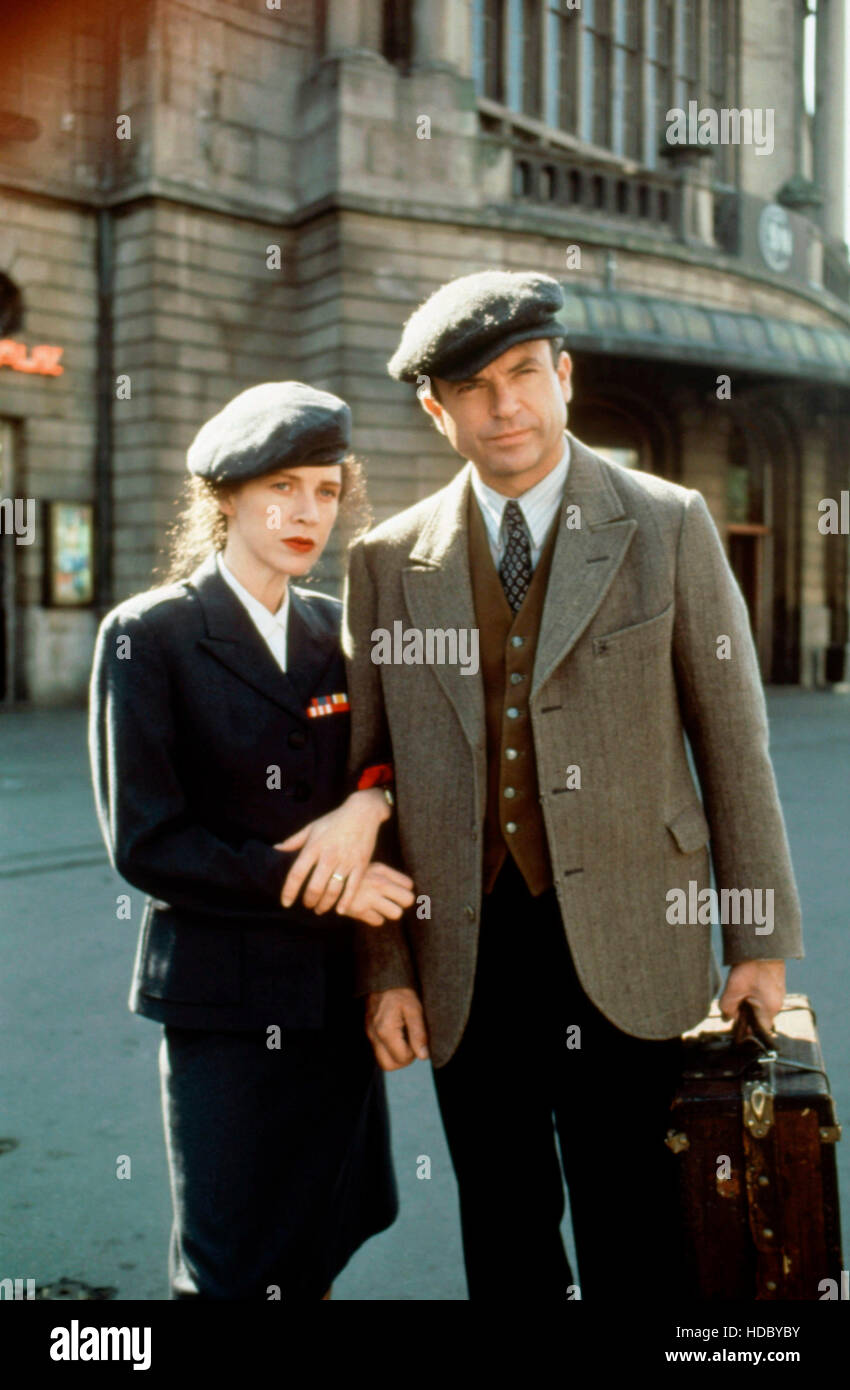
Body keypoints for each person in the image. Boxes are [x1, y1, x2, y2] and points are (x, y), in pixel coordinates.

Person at [335, 270, 803, 1300]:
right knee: (502, 1228)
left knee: (636, 1219)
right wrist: (384, 968)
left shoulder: (668, 522)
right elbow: (365, 777)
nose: (505, 405)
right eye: (473, 387)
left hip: (633, 935)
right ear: (436, 409)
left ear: (565, 376)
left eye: (523, 374)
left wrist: (756, 942)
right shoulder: (383, 561)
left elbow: (732, 744)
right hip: (464, 949)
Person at [88, 381, 414, 1301]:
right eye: (282, 487)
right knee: (227, 1261)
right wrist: (328, 884)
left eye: (324, 488)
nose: (308, 512)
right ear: (225, 497)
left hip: (328, 999)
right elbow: (149, 844)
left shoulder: (334, 630)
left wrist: (372, 807)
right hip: (222, 1003)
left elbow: (387, 758)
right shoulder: (150, 636)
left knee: (318, 1238)